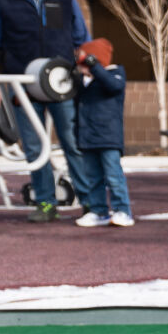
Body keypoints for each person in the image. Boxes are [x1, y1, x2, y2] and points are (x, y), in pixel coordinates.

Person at [0, 0, 91, 222]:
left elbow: (82, 39)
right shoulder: (5, 0)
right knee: (33, 147)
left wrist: (88, 68)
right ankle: (45, 203)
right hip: (23, 86)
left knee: (73, 143)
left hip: (61, 84)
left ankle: (91, 202)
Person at [69, 38, 134, 227]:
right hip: (87, 138)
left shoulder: (114, 74)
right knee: (93, 178)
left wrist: (94, 66)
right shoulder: (83, 81)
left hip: (108, 137)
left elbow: (114, 86)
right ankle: (98, 211)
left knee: (113, 176)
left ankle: (122, 210)